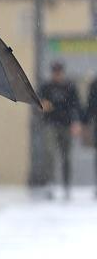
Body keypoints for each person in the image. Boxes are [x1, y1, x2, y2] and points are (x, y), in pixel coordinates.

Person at [36, 61, 83, 199]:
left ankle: (66, 183)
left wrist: (76, 122)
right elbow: (38, 103)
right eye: (55, 72)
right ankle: (50, 182)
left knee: (66, 155)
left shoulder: (70, 87)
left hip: (66, 124)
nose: (57, 75)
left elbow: (76, 106)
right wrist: (42, 106)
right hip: (51, 124)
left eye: (59, 72)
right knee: (50, 153)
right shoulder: (46, 87)